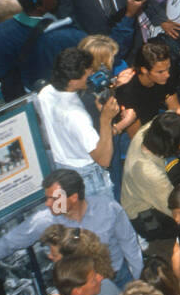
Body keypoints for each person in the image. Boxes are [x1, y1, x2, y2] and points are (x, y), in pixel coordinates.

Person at [0, 168, 141, 285]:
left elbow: (130, 245)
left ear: (73, 198)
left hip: (118, 278)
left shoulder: (108, 209)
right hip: (84, 290)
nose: (48, 204)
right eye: (47, 197)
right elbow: (8, 243)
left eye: (53, 198)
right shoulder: (45, 220)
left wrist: (139, 280)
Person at [36, 47, 135, 203]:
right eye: (88, 72)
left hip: (61, 167)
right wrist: (107, 119)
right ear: (72, 81)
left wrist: (112, 84)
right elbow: (103, 159)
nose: (91, 73)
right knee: (103, 222)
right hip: (88, 178)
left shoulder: (46, 93)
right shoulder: (77, 117)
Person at [0, 0, 88, 101]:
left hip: (33, 99)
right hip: (71, 97)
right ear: (39, 5)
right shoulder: (66, 33)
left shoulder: (3, 32)